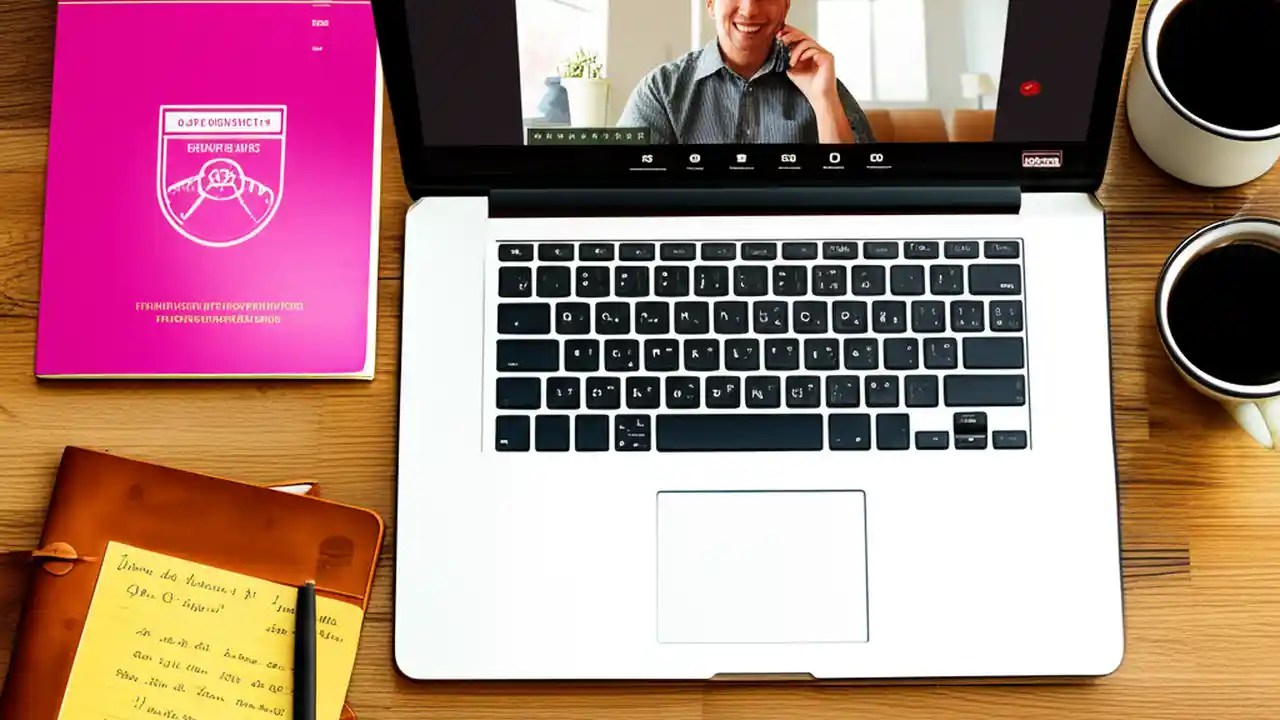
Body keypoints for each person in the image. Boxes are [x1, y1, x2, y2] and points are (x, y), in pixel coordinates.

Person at [617, 0, 874, 144]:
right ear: (710, 4)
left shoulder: (822, 83)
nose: (750, 9)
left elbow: (861, 194)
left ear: (786, 5)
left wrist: (824, 101)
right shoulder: (662, 91)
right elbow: (626, 193)